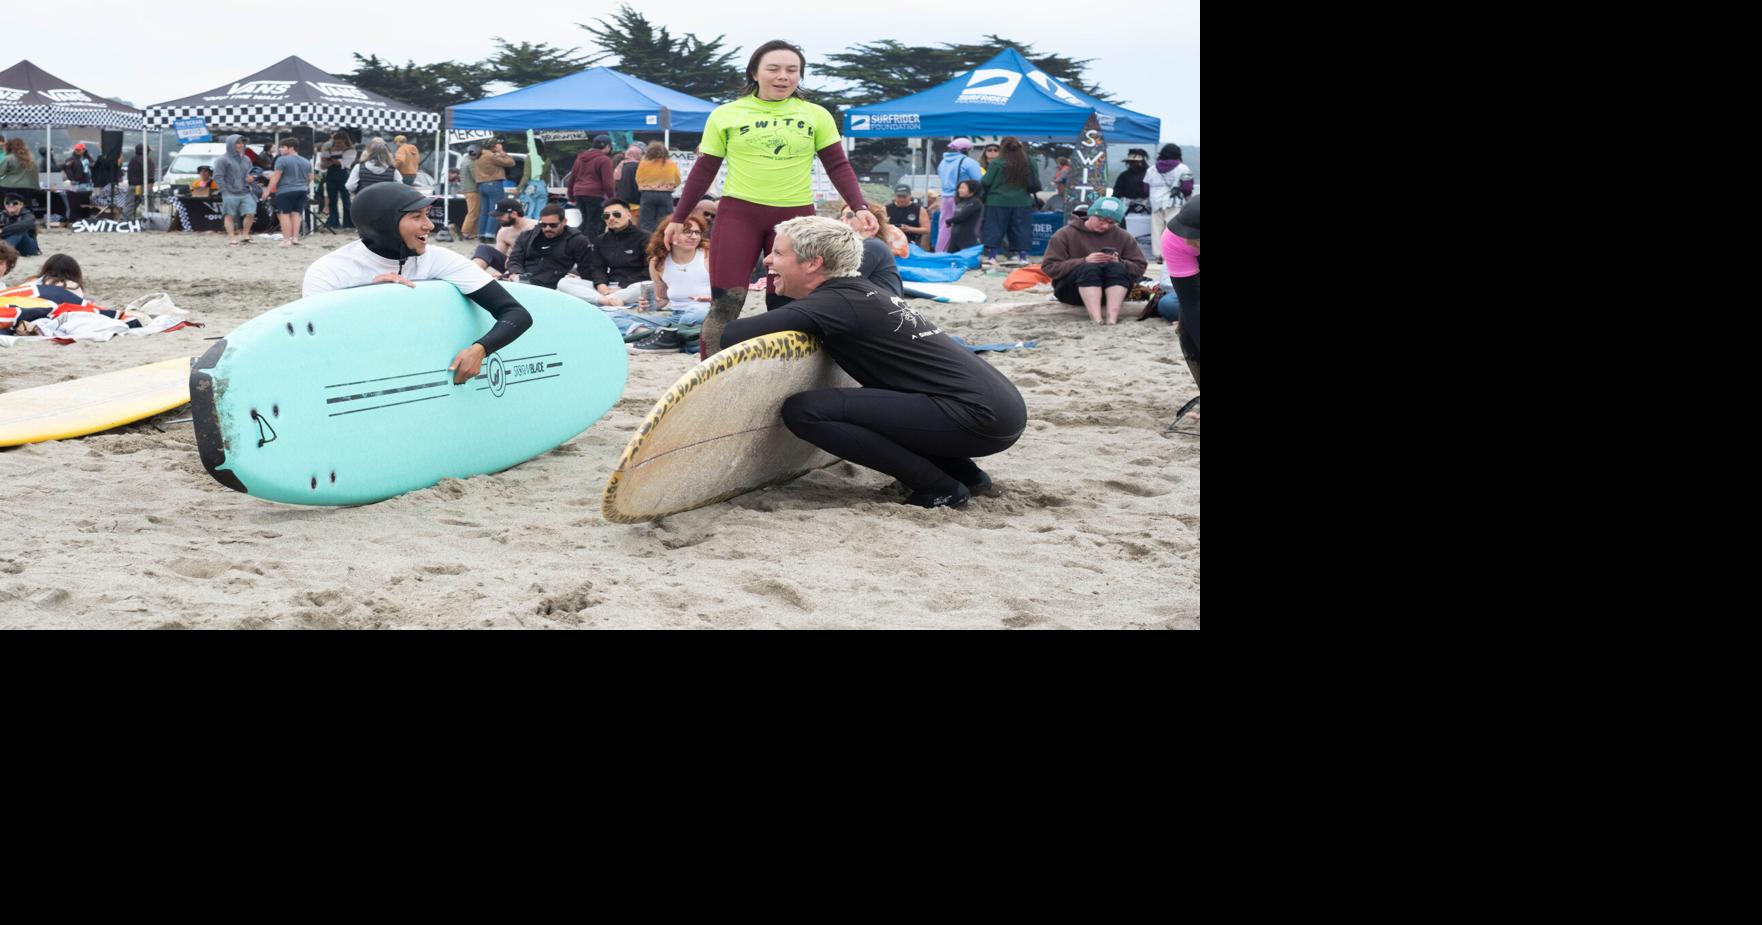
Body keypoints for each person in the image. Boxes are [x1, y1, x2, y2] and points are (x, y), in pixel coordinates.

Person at [721, 217, 1026, 509]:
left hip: (975, 418)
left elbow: (732, 335)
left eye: (778, 253)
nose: (768, 261)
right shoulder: (862, 292)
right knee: (878, 404)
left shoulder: (834, 302)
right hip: (1001, 409)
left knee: (805, 411)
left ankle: (938, 486)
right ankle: (965, 474)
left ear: (813, 263)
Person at [660, 38, 873, 356]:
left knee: (786, 301)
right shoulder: (726, 114)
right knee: (726, 300)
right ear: (754, 73)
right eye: (773, 69)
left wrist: (859, 206)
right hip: (738, 214)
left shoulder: (815, 115)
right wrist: (678, 218)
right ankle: (709, 376)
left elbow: (838, 165)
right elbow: (704, 171)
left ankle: (785, 369)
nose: (783, 76)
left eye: (792, 70)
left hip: (796, 220)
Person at [302, 183, 532, 385]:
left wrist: (480, 349)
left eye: (427, 214)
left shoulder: (440, 259)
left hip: (422, 369)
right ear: (383, 224)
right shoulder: (330, 272)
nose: (430, 225)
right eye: (416, 217)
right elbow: (317, 344)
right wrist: (364, 299)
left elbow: (516, 313)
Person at [1039, 196, 1147, 325]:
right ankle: (1096, 319)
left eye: (1112, 223)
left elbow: (1140, 267)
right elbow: (1049, 267)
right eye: (1101, 220)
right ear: (1091, 214)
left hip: (1112, 292)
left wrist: (1120, 261)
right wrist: (1083, 261)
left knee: (1116, 267)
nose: (1105, 225)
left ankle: (1112, 319)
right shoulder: (1065, 234)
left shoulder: (1123, 236)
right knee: (1089, 268)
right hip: (1072, 292)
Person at [562, 199, 652, 307]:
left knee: (647, 286)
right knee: (564, 283)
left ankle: (604, 300)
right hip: (609, 286)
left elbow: (648, 271)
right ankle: (605, 300)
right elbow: (597, 268)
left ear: (629, 215)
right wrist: (601, 285)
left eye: (617, 214)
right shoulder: (601, 240)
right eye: (606, 216)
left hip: (631, 286)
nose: (611, 218)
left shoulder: (645, 238)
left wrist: (623, 286)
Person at [503, 202, 596, 293]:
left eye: (553, 225)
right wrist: (516, 273)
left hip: (551, 285)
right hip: (523, 279)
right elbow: (515, 259)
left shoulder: (577, 240)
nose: (547, 228)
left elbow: (587, 270)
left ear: (564, 222)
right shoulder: (527, 236)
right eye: (543, 225)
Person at [980, 136, 1039, 267]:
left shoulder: (997, 162)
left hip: (997, 201)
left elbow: (986, 181)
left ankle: (992, 257)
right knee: (1021, 229)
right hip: (1022, 201)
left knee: (994, 229)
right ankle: (1023, 257)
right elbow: (1035, 181)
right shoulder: (1029, 162)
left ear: (1002, 148)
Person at [1165, 194, 1199, 392]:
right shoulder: (1176, 240)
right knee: (1188, 331)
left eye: (1195, 237)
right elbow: (1191, 302)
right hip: (1193, 273)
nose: (1189, 241)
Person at [838, 202, 903, 296]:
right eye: (842, 215)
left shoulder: (872, 246)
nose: (841, 219)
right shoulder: (868, 245)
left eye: (849, 215)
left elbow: (841, 280)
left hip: (883, 306)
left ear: (869, 221)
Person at [934, 138, 984, 253]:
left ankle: (940, 253)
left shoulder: (943, 162)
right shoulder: (968, 162)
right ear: (965, 150)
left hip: (945, 197)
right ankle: (965, 253)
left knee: (944, 226)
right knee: (966, 226)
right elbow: (979, 181)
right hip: (961, 199)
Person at [262, 139, 312, 247]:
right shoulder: (306, 161)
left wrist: (267, 191)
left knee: (284, 215)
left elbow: (276, 176)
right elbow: (310, 177)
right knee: (296, 214)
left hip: (285, 190)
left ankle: (286, 239)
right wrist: (305, 185)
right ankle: (295, 238)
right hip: (302, 190)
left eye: (283, 147)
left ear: (291, 148)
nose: (279, 149)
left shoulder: (281, 160)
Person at [472, 198, 535, 277]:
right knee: (483, 249)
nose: (497, 218)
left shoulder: (534, 227)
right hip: (512, 264)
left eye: (500, 215)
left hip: (530, 266)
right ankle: (472, 274)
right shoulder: (504, 232)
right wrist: (499, 272)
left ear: (514, 214)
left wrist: (512, 261)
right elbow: (498, 256)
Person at [214, 135, 259, 246]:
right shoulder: (222, 159)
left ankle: (245, 236)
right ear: (230, 144)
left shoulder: (247, 159)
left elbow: (251, 173)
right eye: (238, 143)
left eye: (242, 143)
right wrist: (224, 192)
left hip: (245, 191)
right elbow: (218, 177)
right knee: (230, 216)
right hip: (229, 192)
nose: (241, 145)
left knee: (251, 213)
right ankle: (231, 238)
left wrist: (252, 177)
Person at [569, 135, 615, 242]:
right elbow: (608, 183)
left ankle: (573, 241)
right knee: (594, 222)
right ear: (607, 146)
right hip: (595, 194)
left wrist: (571, 196)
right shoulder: (605, 160)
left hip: (578, 193)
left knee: (586, 220)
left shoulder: (579, 159)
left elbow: (572, 179)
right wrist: (612, 198)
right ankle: (589, 247)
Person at [1146, 143, 1195, 239]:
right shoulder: (1183, 168)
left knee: (1156, 230)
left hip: (1155, 203)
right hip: (1174, 203)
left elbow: (1145, 189)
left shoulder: (1151, 169)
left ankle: (1157, 253)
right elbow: (1187, 188)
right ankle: (1171, 252)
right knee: (1173, 230)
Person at [472, 140, 516, 241]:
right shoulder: (491, 156)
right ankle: (490, 235)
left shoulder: (479, 155)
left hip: (482, 185)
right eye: (498, 144)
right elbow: (511, 163)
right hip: (494, 184)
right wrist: (502, 152)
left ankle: (481, 234)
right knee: (495, 210)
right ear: (494, 147)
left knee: (484, 211)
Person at [634, 142, 680, 236]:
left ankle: (646, 243)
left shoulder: (643, 163)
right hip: (665, 195)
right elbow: (677, 179)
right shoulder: (670, 164)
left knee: (646, 222)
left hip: (647, 195)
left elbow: (638, 178)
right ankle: (661, 243)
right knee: (664, 221)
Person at [320, 131, 356, 229]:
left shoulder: (351, 150)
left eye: (339, 142)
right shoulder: (329, 148)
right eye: (335, 142)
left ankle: (348, 222)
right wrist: (330, 160)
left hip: (343, 175)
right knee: (332, 199)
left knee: (346, 199)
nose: (337, 144)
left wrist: (330, 160)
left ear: (345, 141)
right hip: (330, 175)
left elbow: (343, 163)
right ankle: (333, 221)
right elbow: (323, 163)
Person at [947, 179, 983, 251]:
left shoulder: (975, 202)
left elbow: (962, 217)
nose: (959, 190)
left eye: (963, 188)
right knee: (951, 258)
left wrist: (949, 221)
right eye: (959, 188)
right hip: (955, 236)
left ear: (972, 190)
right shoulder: (961, 202)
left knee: (968, 259)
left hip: (967, 237)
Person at [0, 138, 38, 205]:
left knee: (8, 207)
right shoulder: (31, 159)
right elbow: (35, 174)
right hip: (27, 187)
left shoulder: (8, 158)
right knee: (26, 207)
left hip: (9, 186)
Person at [457, 144, 480, 241]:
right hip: (472, 190)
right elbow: (476, 177)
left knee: (474, 212)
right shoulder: (470, 162)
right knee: (473, 212)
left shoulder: (464, 160)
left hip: (467, 190)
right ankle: (465, 232)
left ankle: (472, 233)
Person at [126, 144, 155, 215]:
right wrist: (150, 188)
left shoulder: (132, 159)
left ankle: (123, 222)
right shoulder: (147, 160)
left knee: (129, 207)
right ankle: (152, 222)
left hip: (132, 186)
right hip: (143, 187)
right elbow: (150, 175)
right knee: (150, 206)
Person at [614, 143, 642, 207]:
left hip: (622, 197)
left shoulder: (621, 165)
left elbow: (615, 179)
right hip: (636, 198)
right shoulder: (639, 166)